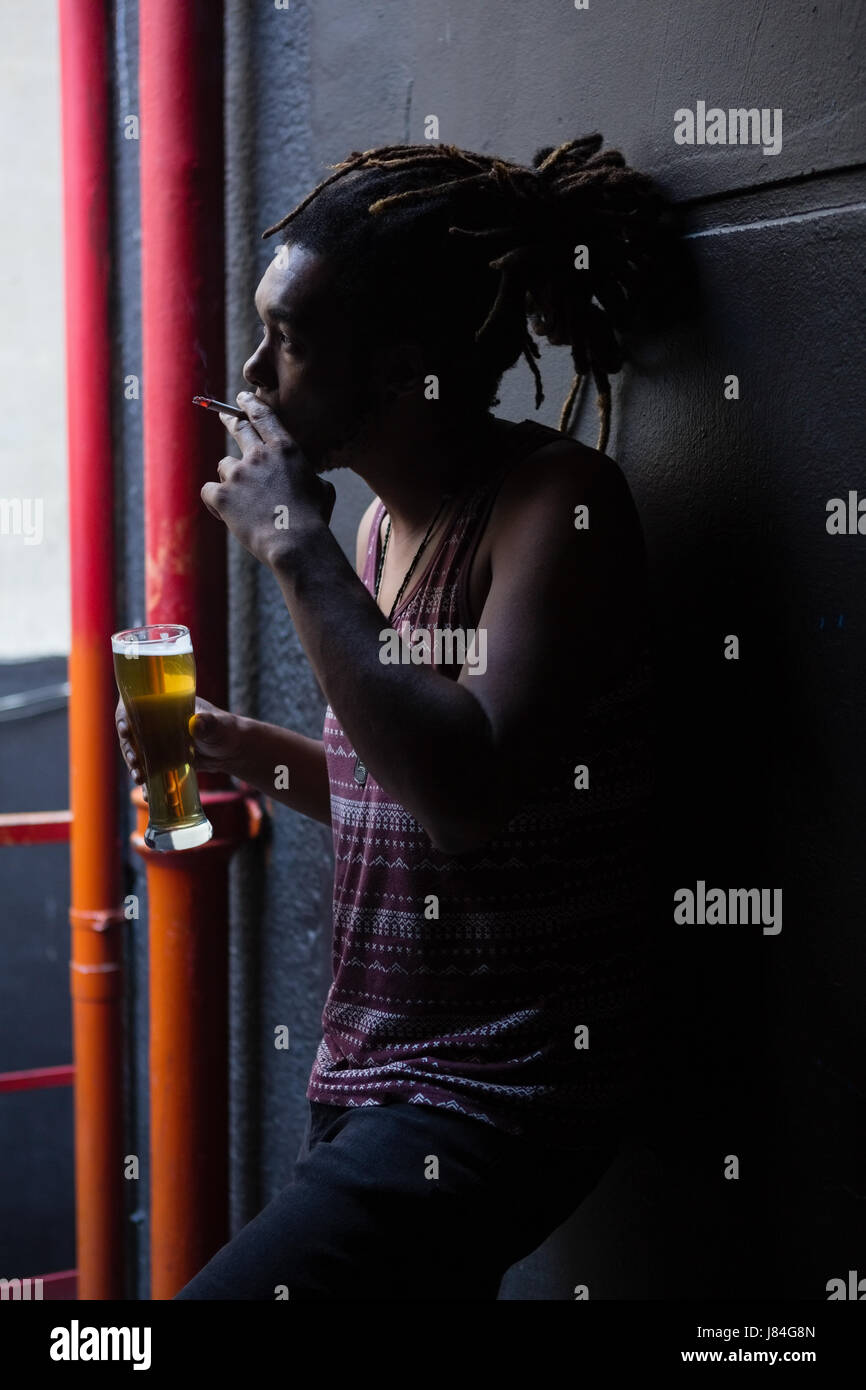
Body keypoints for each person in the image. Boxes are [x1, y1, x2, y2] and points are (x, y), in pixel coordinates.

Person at [115, 134, 681, 1300]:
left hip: (502, 1085)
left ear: (405, 364)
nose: (255, 375)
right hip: (375, 1071)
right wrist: (243, 749)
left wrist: (291, 539)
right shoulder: (379, 532)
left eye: (293, 341)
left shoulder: (555, 505)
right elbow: (400, 785)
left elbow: (468, 788)